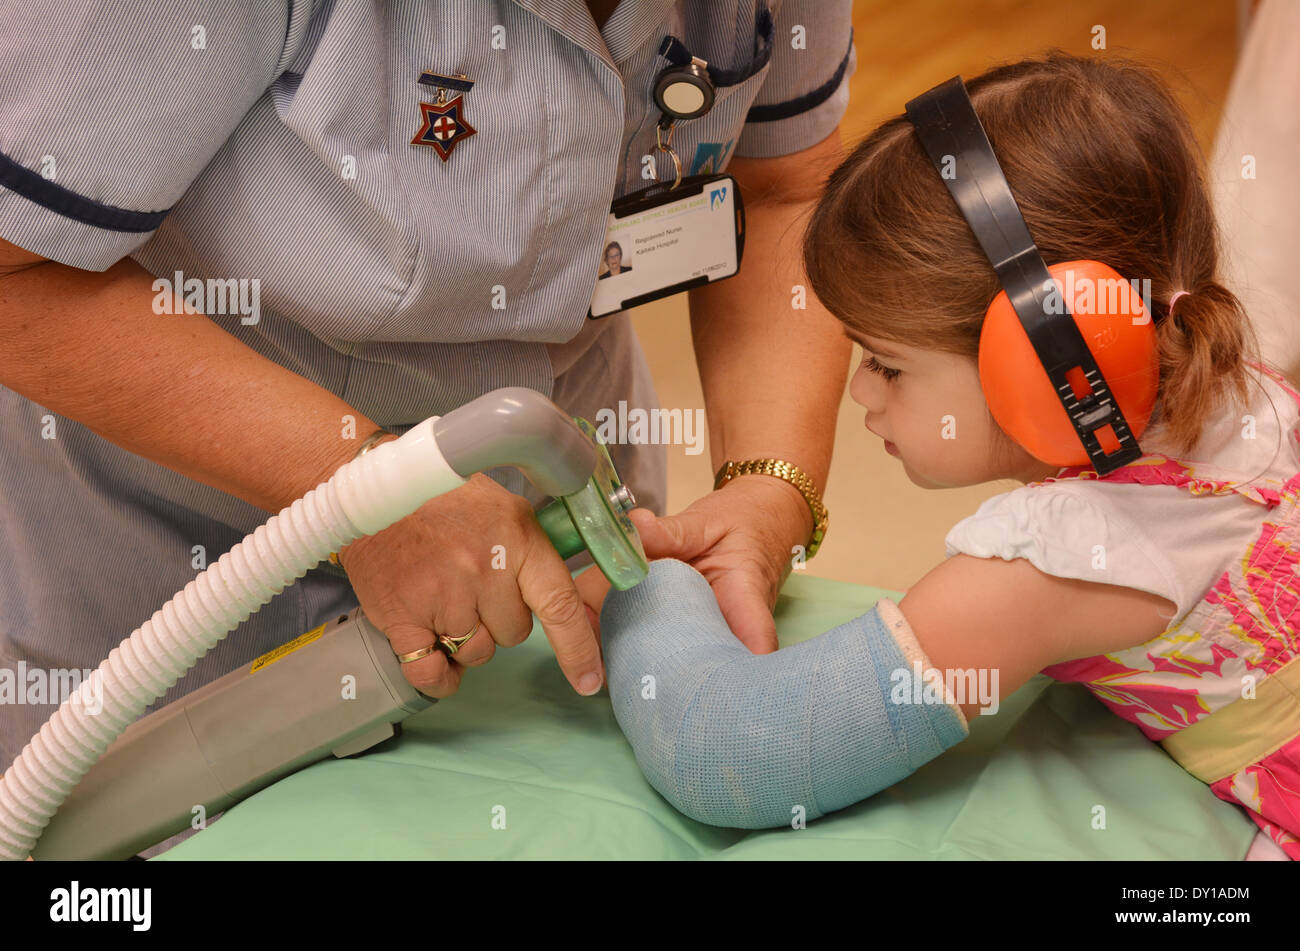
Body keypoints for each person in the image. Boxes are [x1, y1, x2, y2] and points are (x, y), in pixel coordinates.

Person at [0, 0, 856, 801]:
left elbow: (787, 187)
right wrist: (364, 491)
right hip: (182, 547)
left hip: (561, 514)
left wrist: (769, 483)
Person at [608, 52, 1300, 858]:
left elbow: (728, 748)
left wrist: (637, 582)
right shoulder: (1242, 393)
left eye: (887, 365)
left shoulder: (1059, 561)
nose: (860, 394)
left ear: (1049, 360)